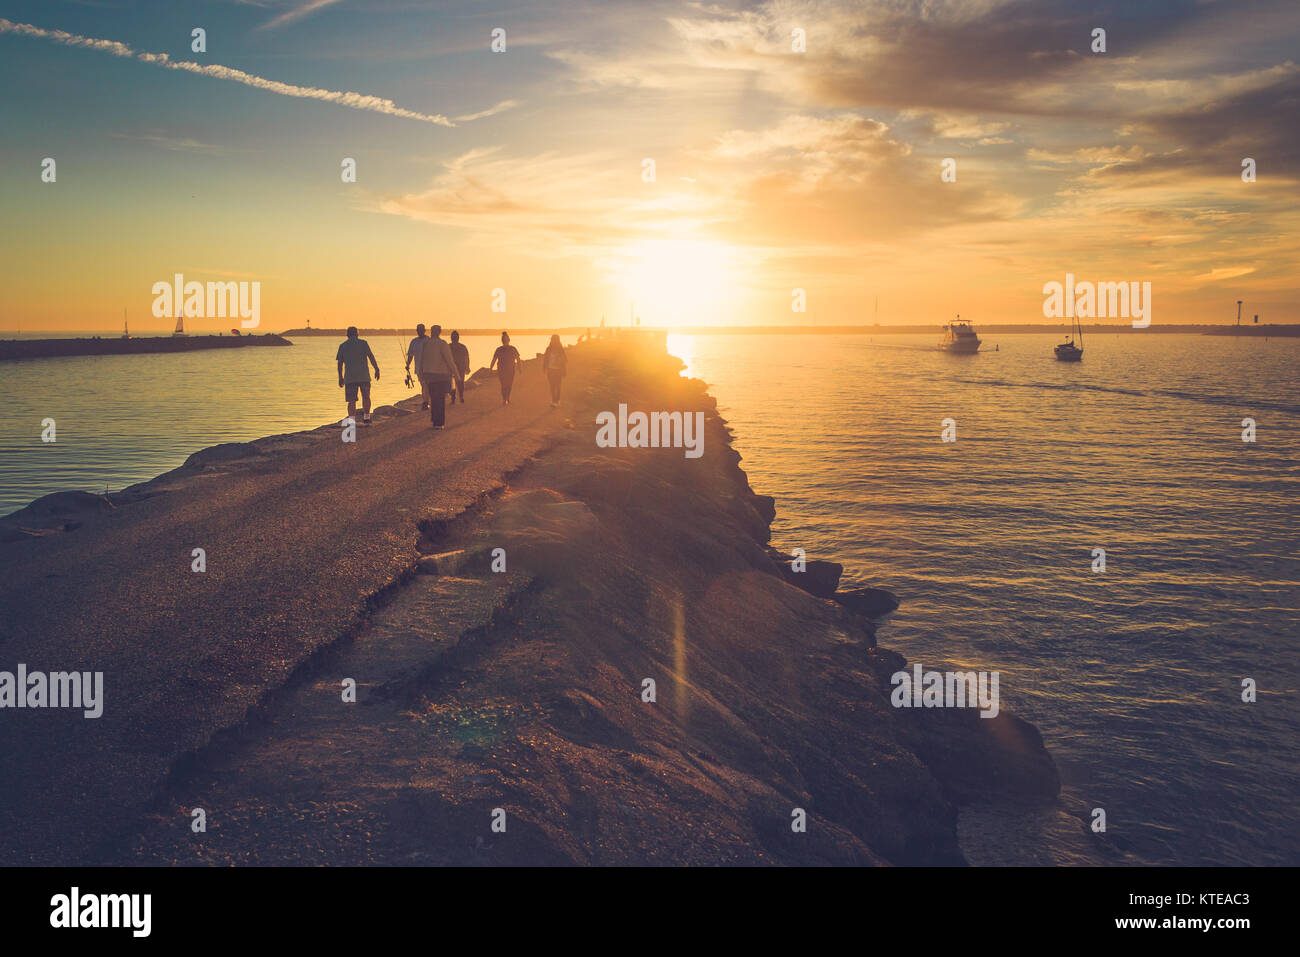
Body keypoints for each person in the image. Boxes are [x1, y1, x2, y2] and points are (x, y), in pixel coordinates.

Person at [336, 326, 379, 425]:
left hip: (350, 377)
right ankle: (367, 417)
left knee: (351, 400)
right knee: (366, 397)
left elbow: (340, 363)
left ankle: (351, 421)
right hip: (364, 376)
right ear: (357, 334)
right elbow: (371, 357)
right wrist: (376, 369)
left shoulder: (343, 346)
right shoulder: (363, 343)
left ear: (347, 334)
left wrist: (340, 377)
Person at [420, 324, 459, 430]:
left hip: (429, 374)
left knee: (433, 398)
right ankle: (439, 422)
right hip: (441, 375)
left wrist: (421, 372)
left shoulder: (426, 344)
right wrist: (456, 374)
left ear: (431, 332)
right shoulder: (442, 344)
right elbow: (449, 360)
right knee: (440, 399)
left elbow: (422, 359)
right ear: (440, 332)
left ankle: (434, 420)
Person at [489, 331, 522, 405]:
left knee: (506, 385)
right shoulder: (501, 349)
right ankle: (506, 399)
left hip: (506, 370)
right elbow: (518, 360)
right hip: (505, 370)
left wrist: (490, 368)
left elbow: (494, 360)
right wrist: (520, 368)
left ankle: (506, 398)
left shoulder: (511, 349)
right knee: (506, 385)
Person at [405, 323, 429, 410]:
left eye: (421, 330)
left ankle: (426, 402)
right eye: (418, 330)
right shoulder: (414, 342)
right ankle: (425, 401)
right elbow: (410, 355)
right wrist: (408, 364)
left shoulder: (429, 340)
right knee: (423, 384)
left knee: (426, 384)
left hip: (429, 367)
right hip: (419, 368)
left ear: (424, 330)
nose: (420, 332)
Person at [543, 334, 566, 406]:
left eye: (553, 339)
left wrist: (564, 369)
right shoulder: (548, 349)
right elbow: (545, 359)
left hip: (558, 370)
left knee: (558, 385)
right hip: (550, 370)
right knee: (552, 386)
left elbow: (565, 360)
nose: (552, 341)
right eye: (552, 340)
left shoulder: (561, 349)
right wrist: (544, 368)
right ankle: (554, 400)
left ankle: (557, 400)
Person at [449, 330, 470, 404]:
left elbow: (466, 357)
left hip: (454, 367)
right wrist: (467, 367)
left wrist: (467, 367)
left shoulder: (449, 346)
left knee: (453, 383)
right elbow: (466, 358)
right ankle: (460, 396)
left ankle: (454, 397)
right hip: (459, 367)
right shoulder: (462, 347)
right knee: (459, 382)